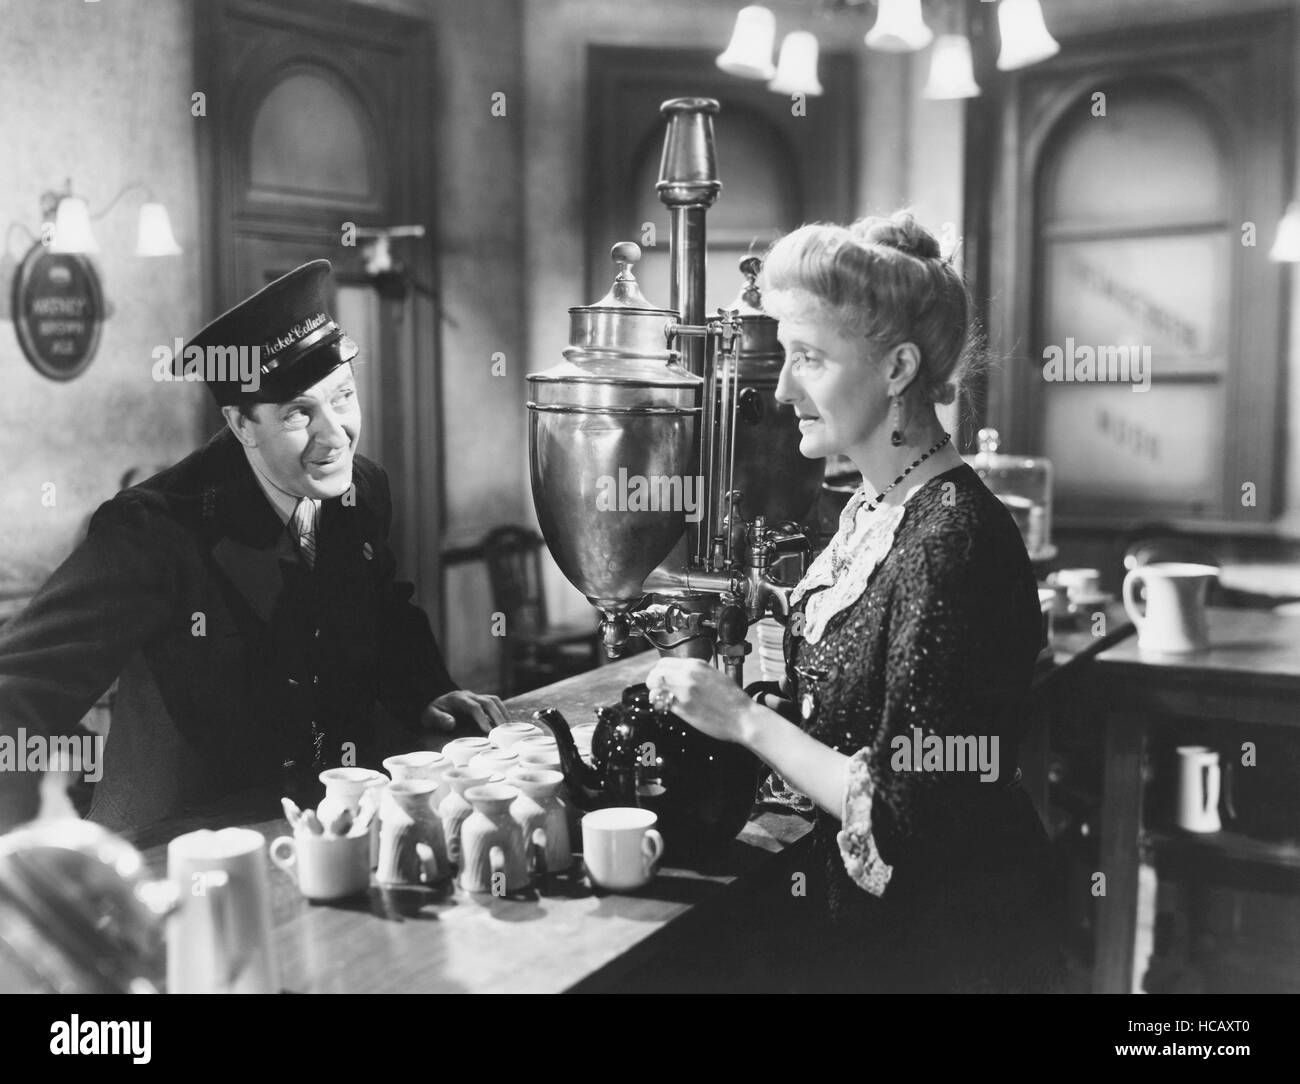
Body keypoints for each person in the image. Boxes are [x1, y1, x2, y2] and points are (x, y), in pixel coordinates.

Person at [647, 212, 1063, 993]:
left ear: (898, 368)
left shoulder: (954, 543)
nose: (779, 387)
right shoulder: (876, 507)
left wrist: (742, 719)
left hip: (953, 948)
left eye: (808, 358)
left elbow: (906, 815)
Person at [0, 260, 505, 835]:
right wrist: (33, 861)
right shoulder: (155, 530)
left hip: (321, 823)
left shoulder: (361, 489)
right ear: (242, 424)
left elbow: (384, 605)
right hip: (180, 843)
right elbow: (18, 691)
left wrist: (430, 691)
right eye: (298, 414)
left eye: (342, 396)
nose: (335, 435)